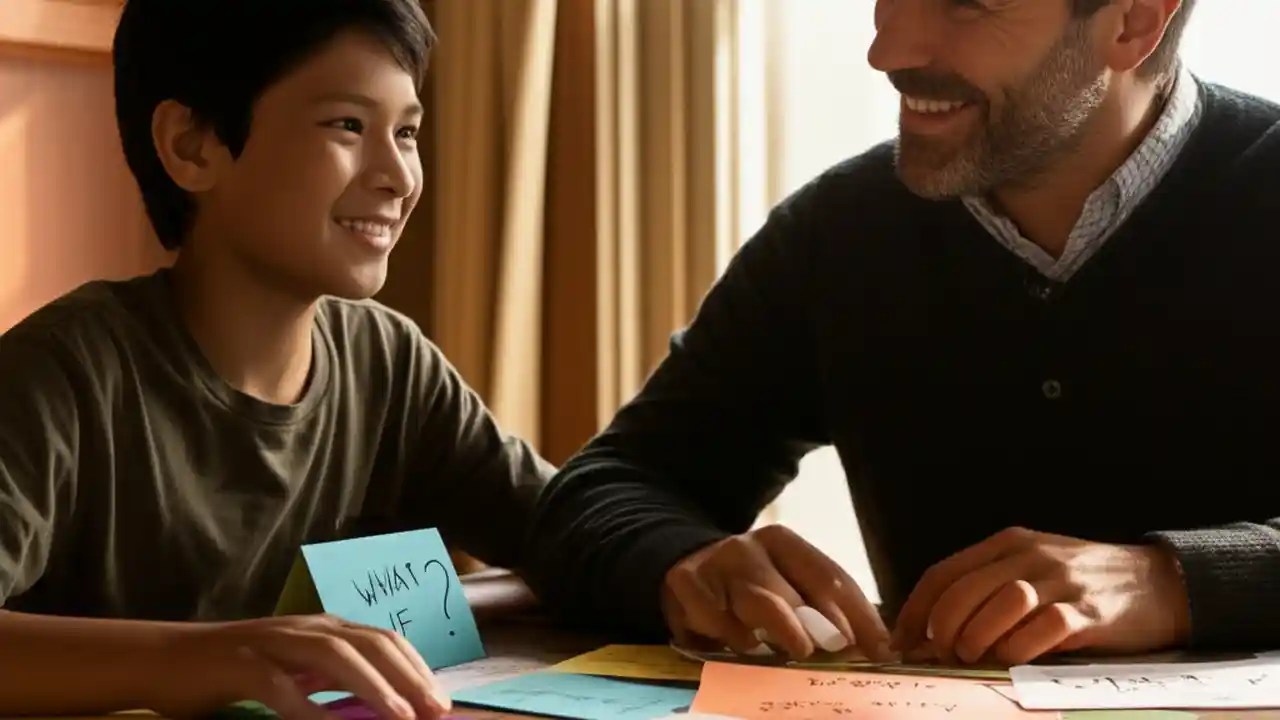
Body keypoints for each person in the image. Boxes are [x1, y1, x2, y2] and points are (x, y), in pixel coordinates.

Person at [526, 0, 1280, 669]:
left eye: (964, 6)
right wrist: (682, 563)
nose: (888, 48)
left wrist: (1169, 583)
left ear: (1133, 22)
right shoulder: (839, 233)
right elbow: (604, 491)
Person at [0, 1, 553, 719]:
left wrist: (691, 561)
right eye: (348, 126)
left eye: (408, 132)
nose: (398, 176)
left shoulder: (389, 363)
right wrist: (211, 656)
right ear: (192, 145)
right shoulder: (66, 377)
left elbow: (569, 536)